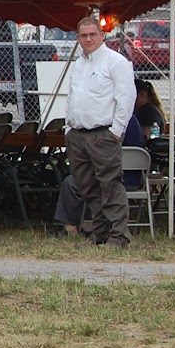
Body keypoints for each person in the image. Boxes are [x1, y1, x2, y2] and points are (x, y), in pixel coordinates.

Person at [65, 15, 137, 248]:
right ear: (78, 38)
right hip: (78, 135)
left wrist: (116, 130)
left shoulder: (115, 62)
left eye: (92, 34)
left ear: (102, 35)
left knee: (110, 185)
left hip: (103, 134)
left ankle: (119, 237)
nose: (88, 39)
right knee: (88, 187)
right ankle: (101, 234)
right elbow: (73, 97)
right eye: (83, 35)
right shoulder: (79, 64)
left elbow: (126, 97)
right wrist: (69, 128)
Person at [53, 112, 143, 236]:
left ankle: (70, 227)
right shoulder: (132, 120)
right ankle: (95, 226)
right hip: (135, 178)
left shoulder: (110, 122)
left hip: (115, 177)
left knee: (72, 181)